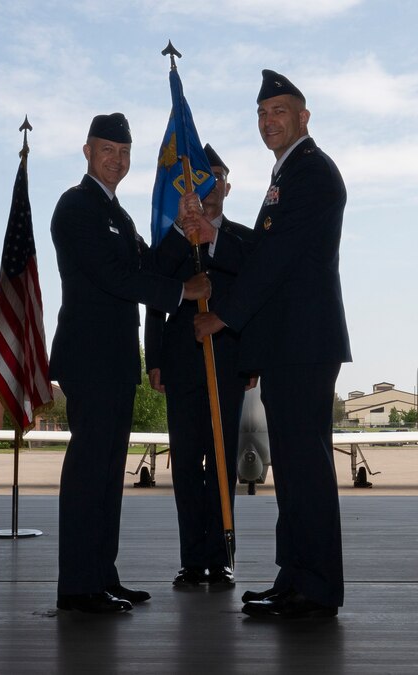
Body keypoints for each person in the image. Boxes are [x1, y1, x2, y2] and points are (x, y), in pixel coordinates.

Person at [195, 70, 351, 619]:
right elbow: (265, 250)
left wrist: (225, 317)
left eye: (278, 111)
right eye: (262, 114)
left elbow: (277, 258)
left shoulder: (311, 172)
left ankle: (315, 588)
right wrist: (215, 235)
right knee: (293, 466)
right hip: (288, 343)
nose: (268, 121)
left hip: (303, 343)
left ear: (304, 117)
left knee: (305, 468)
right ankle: (295, 577)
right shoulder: (285, 174)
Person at [48, 112, 211, 614]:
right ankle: (78, 586)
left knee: (107, 474)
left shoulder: (116, 214)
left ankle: (102, 575)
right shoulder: (76, 207)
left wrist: (183, 230)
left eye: (123, 153)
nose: (116, 160)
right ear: (87, 152)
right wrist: (183, 292)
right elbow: (116, 276)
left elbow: (144, 264)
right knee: (89, 473)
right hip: (89, 360)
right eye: (106, 151)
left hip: (116, 361)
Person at [145, 144, 256, 589]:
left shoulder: (246, 240)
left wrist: (253, 359)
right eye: (201, 179)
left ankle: (222, 555)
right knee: (187, 464)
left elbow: (256, 298)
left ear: (227, 187)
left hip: (228, 363)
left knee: (224, 461)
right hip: (182, 365)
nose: (210, 187)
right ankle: (193, 558)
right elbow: (154, 300)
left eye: (217, 179)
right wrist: (154, 359)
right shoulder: (172, 240)